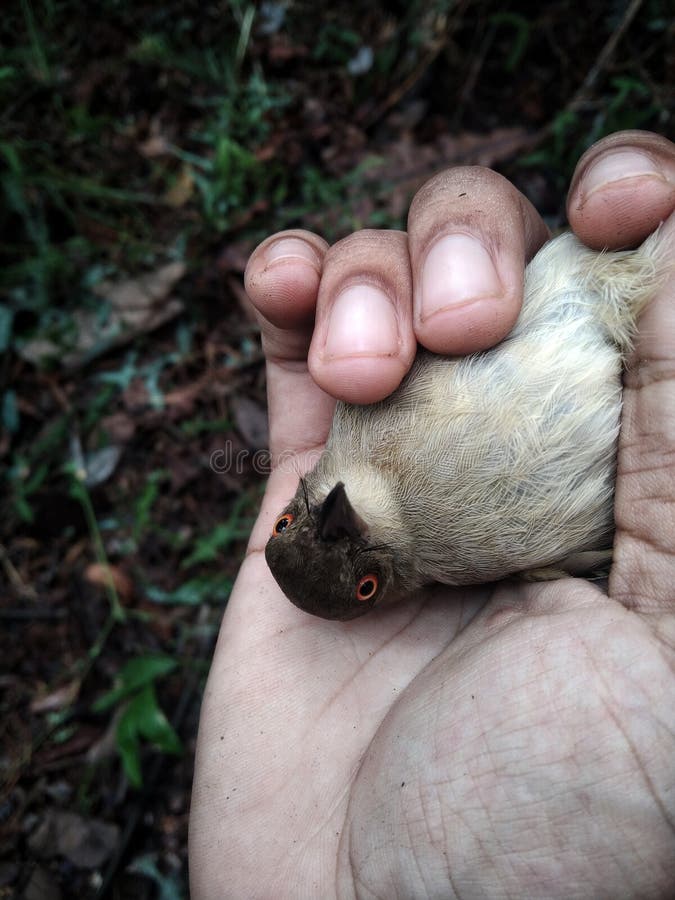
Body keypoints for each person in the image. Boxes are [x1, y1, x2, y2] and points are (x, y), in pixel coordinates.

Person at [189, 131, 675, 899]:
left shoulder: (351, 408)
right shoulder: (490, 572)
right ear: (384, 587)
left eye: (293, 523)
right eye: (364, 583)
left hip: (613, 272)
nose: (338, 526)